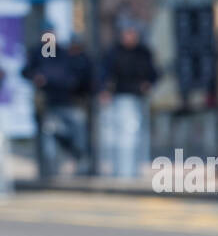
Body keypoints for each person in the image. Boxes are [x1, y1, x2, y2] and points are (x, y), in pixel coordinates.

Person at [22, 30, 95, 178]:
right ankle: (51, 170)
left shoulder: (63, 53)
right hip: (49, 104)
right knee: (51, 136)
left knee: (76, 136)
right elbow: (25, 71)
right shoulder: (37, 53)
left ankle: (79, 163)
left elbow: (76, 78)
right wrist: (36, 77)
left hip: (71, 102)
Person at [99, 24, 157, 178]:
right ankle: (122, 171)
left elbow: (153, 73)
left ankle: (133, 170)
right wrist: (105, 90)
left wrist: (148, 84)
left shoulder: (143, 52)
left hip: (139, 98)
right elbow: (105, 73)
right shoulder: (114, 52)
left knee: (136, 136)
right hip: (120, 98)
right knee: (122, 136)